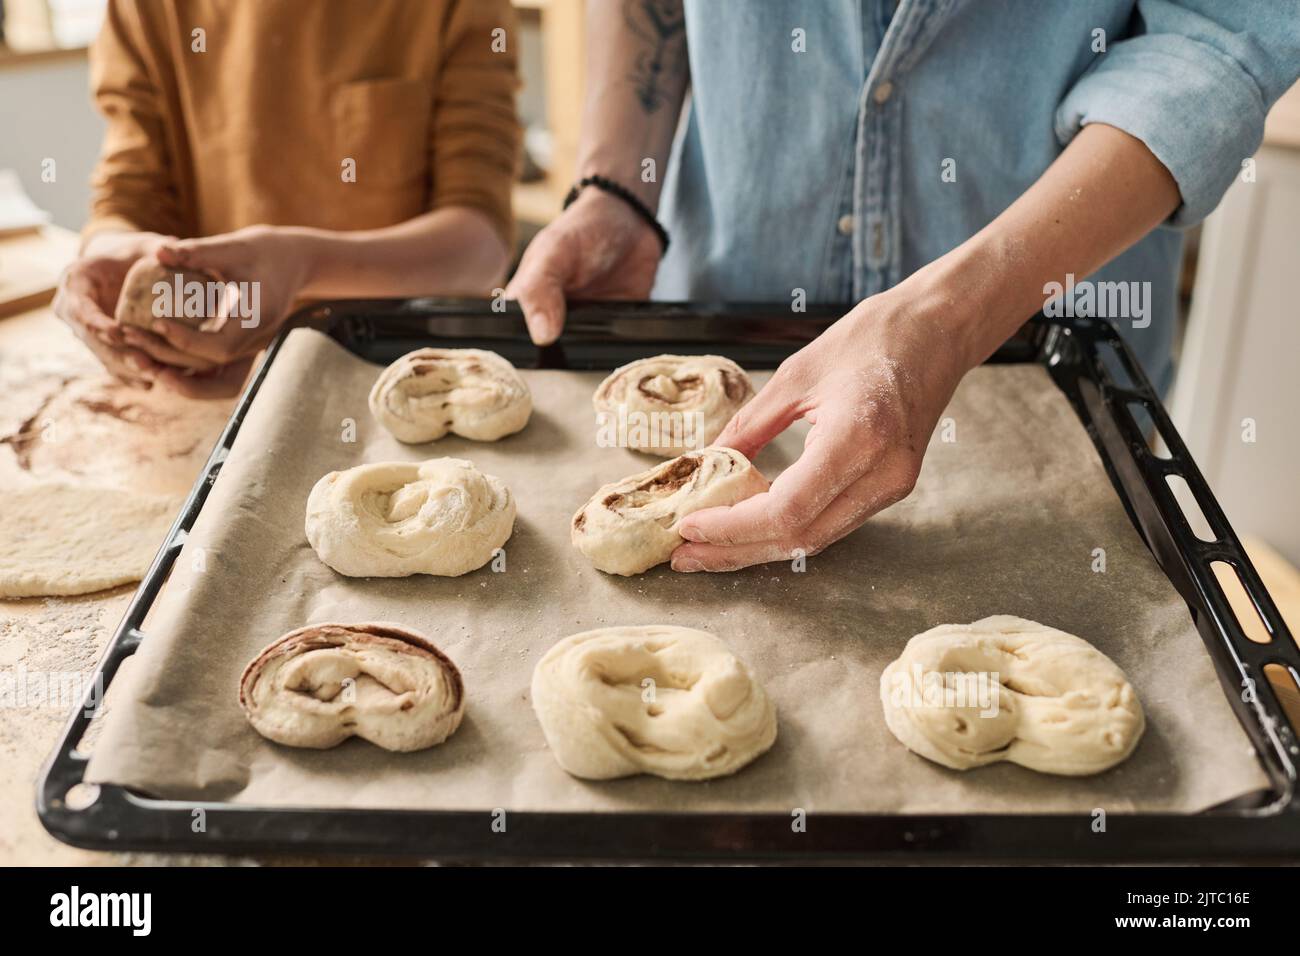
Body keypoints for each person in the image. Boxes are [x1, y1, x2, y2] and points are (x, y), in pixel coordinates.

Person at [507, 0, 1300, 573]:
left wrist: (950, 318)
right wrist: (621, 189)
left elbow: (1215, 36)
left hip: (1045, 341)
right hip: (729, 307)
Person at [55, 0, 520, 399]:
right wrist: (106, 253)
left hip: (408, 376)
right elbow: (128, 195)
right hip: (217, 387)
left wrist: (305, 265)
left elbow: (480, 246)